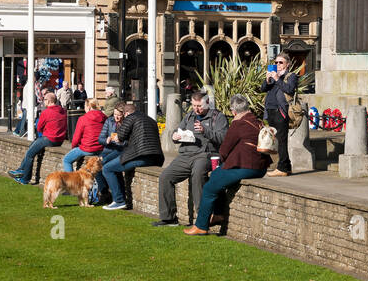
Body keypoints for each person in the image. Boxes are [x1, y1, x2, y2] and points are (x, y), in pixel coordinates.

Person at [185, 94, 270, 235]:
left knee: (209, 188)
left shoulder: (238, 123)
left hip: (246, 167)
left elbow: (225, 148)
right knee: (217, 175)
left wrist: (220, 160)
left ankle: (201, 226)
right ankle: (218, 214)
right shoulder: (257, 121)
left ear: (233, 111)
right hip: (261, 168)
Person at [154, 89, 229, 227]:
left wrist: (205, 131)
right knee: (165, 176)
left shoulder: (218, 117)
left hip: (206, 154)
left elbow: (224, 138)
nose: (196, 109)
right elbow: (178, 131)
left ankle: (202, 219)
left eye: (199, 106)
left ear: (207, 103)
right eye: (194, 105)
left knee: (198, 175)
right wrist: (175, 136)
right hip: (186, 154)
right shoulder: (189, 116)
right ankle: (169, 218)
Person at [96, 102, 163, 211]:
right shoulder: (150, 120)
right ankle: (121, 198)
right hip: (156, 157)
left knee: (107, 169)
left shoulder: (130, 118)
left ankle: (119, 201)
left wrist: (116, 137)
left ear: (126, 113)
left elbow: (120, 136)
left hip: (140, 156)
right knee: (114, 168)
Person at [8, 92, 67, 185]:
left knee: (30, 155)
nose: (43, 102)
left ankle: (25, 178)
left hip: (49, 139)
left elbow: (39, 127)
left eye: (44, 100)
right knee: (32, 146)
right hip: (59, 140)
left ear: (48, 101)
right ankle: (20, 170)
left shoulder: (46, 112)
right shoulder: (63, 111)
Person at [259, 54, 297, 176]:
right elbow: (263, 89)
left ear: (287, 64)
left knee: (281, 140)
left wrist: (277, 79)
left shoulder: (291, 76)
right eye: (276, 62)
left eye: (281, 62)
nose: (277, 65)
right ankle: (286, 166)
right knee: (276, 139)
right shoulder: (274, 75)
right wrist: (267, 79)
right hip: (270, 110)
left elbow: (289, 89)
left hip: (280, 111)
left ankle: (282, 169)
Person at [62, 99, 105, 173]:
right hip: (101, 148)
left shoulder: (83, 118)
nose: (84, 108)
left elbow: (76, 138)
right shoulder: (104, 117)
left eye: (84, 106)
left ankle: (71, 183)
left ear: (88, 107)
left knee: (66, 160)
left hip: (87, 148)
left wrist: (74, 148)